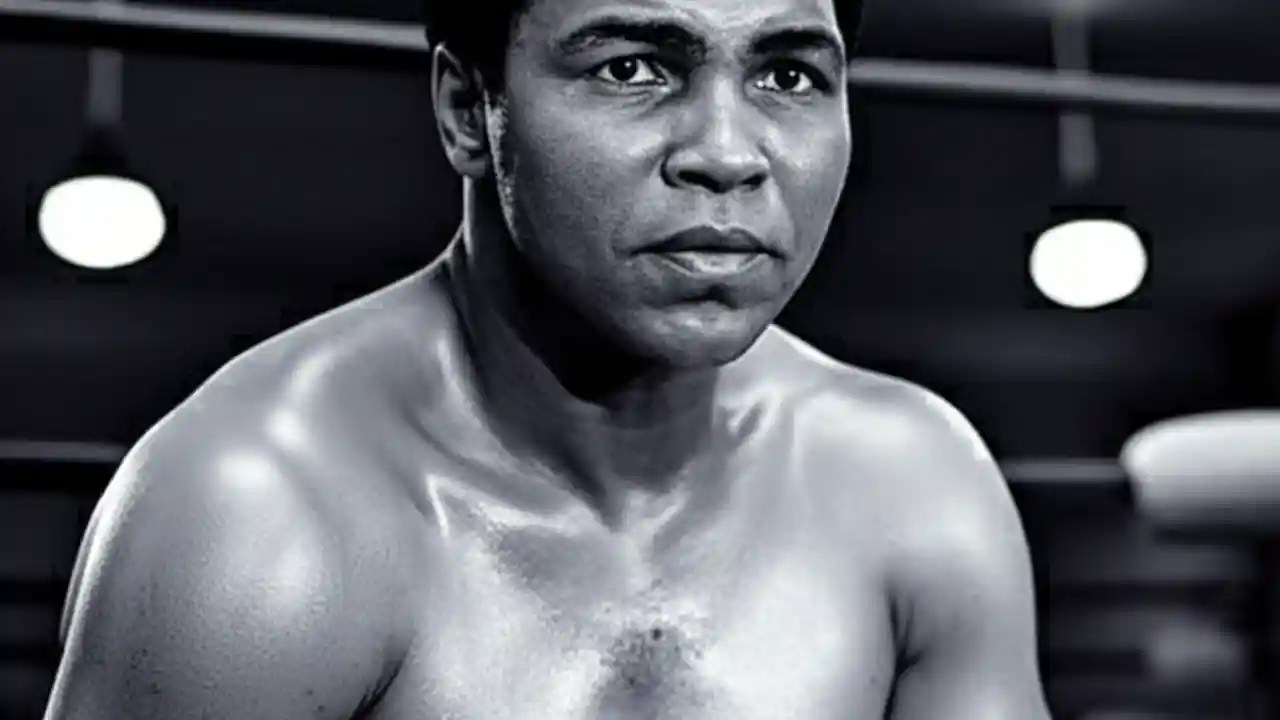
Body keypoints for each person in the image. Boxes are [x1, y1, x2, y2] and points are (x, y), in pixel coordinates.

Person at [43, 0, 1052, 717]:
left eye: (786, 75)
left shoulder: (913, 483)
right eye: (632, 67)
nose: (727, 151)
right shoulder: (260, 508)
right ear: (466, 112)